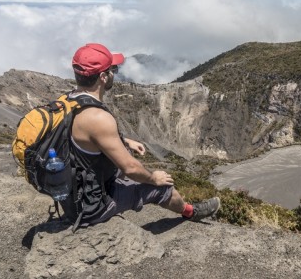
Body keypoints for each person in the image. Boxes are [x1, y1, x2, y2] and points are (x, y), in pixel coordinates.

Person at [58, 42, 220, 228]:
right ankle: (191, 212)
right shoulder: (98, 118)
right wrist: (153, 178)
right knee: (163, 187)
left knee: (126, 152)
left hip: (72, 193)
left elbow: (83, 135)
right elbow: (131, 169)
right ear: (103, 77)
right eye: (113, 69)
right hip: (90, 206)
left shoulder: (68, 101)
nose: (114, 73)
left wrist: (124, 141)